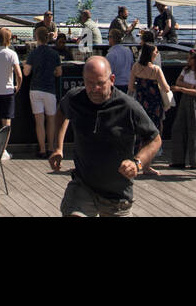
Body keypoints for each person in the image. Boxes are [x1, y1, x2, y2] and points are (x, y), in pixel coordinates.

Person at [50, 55, 161, 217]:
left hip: (117, 194)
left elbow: (155, 139)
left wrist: (137, 163)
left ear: (112, 79)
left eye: (100, 83)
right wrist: (57, 147)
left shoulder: (128, 107)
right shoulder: (75, 98)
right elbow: (61, 111)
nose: (94, 89)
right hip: (83, 185)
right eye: (89, 83)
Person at [127, 42, 172, 173]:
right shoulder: (156, 70)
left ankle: (137, 162)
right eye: (155, 52)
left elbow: (130, 87)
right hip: (154, 105)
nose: (157, 54)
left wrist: (141, 89)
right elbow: (166, 88)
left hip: (141, 103)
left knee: (139, 132)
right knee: (153, 134)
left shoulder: (136, 67)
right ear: (151, 54)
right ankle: (146, 166)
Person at [23, 25, 63, 158]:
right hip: (50, 89)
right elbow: (59, 72)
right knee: (51, 120)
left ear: (36, 37)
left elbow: (26, 72)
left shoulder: (33, 53)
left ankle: (41, 149)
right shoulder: (54, 54)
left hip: (35, 89)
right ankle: (51, 147)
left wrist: (25, 65)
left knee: (39, 121)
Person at [168, 50, 196, 169]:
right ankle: (178, 160)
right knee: (178, 127)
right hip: (184, 99)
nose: (188, 61)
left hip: (193, 101)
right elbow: (178, 81)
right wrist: (188, 86)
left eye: (190, 59)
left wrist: (182, 88)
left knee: (193, 130)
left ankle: (193, 161)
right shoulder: (185, 70)